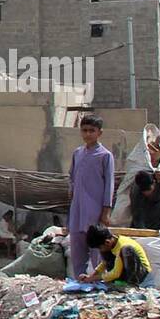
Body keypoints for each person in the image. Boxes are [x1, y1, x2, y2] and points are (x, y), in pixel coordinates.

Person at [67, 114, 115, 279]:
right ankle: (79, 279)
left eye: (91, 131)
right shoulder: (77, 153)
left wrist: (106, 211)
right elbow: (71, 177)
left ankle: (98, 278)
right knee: (77, 244)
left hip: (94, 209)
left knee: (96, 245)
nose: (88, 134)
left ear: (99, 133)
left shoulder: (105, 156)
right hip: (77, 208)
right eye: (84, 130)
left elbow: (109, 183)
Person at [80, 224, 152, 287]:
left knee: (126, 250)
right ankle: (120, 284)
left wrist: (95, 278)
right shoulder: (111, 245)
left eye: (100, 247)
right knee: (105, 252)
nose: (100, 250)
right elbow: (104, 263)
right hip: (124, 272)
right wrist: (91, 276)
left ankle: (132, 285)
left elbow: (116, 273)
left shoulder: (123, 246)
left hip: (141, 275)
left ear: (107, 242)